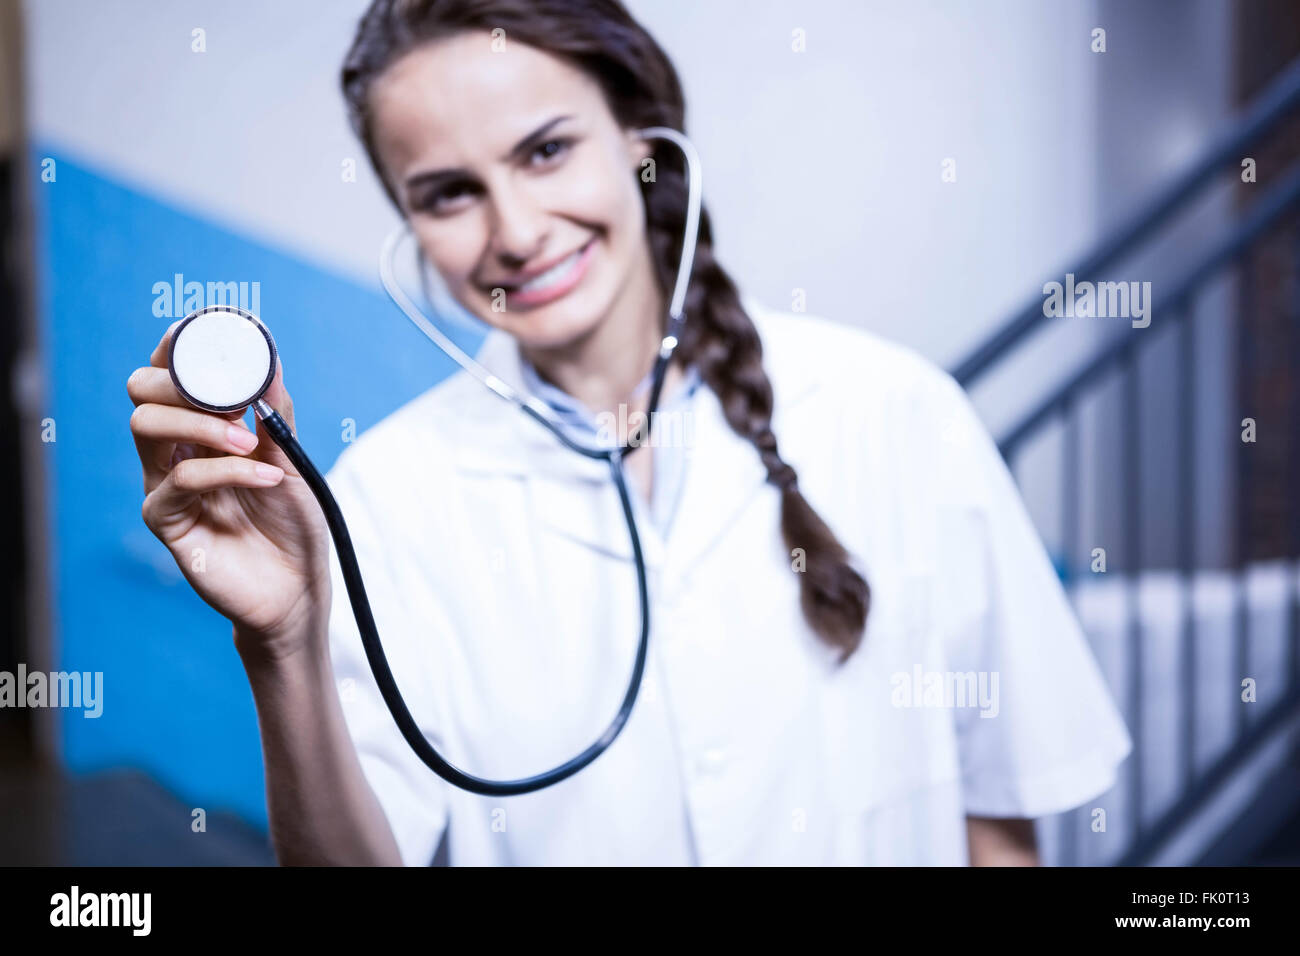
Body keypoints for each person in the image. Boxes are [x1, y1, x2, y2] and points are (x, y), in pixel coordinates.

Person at [126, 0, 1131, 866]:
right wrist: (284, 643)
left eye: (546, 149)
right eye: (448, 192)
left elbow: (1001, 827)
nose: (514, 229)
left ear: (642, 147)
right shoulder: (382, 496)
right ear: (409, 225)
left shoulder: (898, 413)